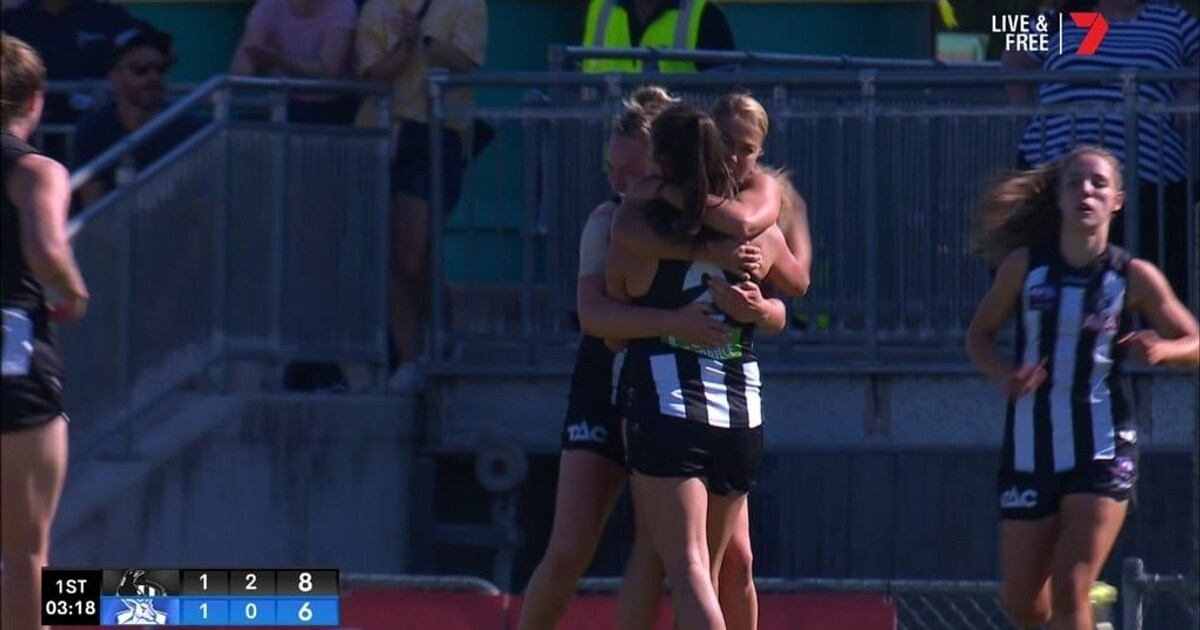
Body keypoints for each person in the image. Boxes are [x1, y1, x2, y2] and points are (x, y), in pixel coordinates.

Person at [516, 86, 767, 630]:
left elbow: (790, 271)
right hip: (616, 390)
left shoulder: (727, 213)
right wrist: (673, 319)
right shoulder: (613, 223)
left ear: (663, 165)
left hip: (691, 395)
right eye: (611, 169)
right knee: (570, 550)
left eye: (630, 171)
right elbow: (597, 320)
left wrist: (761, 299)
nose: (618, 183)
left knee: (709, 560)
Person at [965, 144, 1200, 630]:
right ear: (1060, 198)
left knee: (1073, 582)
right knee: (1024, 603)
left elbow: (1195, 340)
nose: (1086, 192)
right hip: (1031, 447)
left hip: (1103, 443)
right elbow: (978, 337)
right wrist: (1004, 374)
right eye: (1075, 182)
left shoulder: (1132, 275)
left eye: (1097, 183)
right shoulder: (1025, 268)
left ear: (1117, 199)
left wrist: (1164, 350)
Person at [612, 92, 811, 630]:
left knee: (691, 567)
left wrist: (761, 307)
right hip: (741, 418)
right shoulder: (749, 231)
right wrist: (723, 262)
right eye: (728, 146)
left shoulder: (646, 221)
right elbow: (790, 281)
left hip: (673, 404)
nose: (736, 159)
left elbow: (613, 289)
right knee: (714, 567)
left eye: (749, 150)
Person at [1001, 0, 1200, 299]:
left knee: (1148, 279)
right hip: (1056, 172)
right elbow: (1014, 57)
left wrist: (1189, 92)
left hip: (1148, 177)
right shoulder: (1061, 15)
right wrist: (1032, 116)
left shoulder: (1174, 20)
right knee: (1046, 274)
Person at [1, 33, 90, 630]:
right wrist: (74, 291)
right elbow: (44, 247)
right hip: (13, 366)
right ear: (33, 102)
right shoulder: (34, 169)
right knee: (24, 554)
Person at [355, 0, 488, 390]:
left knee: (414, 255)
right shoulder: (377, 7)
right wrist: (404, 48)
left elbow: (465, 62)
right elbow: (372, 73)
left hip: (436, 136)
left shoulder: (466, 4)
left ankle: (444, 337)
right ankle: (410, 358)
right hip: (384, 135)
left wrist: (424, 39)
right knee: (398, 256)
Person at [72, 25, 206, 208]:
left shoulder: (189, 129)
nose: (153, 77)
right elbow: (94, 206)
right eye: (140, 70)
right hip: (115, 230)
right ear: (114, 78)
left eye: (160, 69)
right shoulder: (94, 129)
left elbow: (198, 203)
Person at [230, 0, 361, 125]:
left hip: (333, 109)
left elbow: (329, 71)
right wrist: (255, 58)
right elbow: (239, 72)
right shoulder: (268, 5)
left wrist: (279, 60)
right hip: (283, 103)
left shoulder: (343, 5)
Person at [580, 0, 736, 73]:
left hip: (674, 136)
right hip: (608, 136)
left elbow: (722, 98)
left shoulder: (706, 16)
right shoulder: (600, 9)